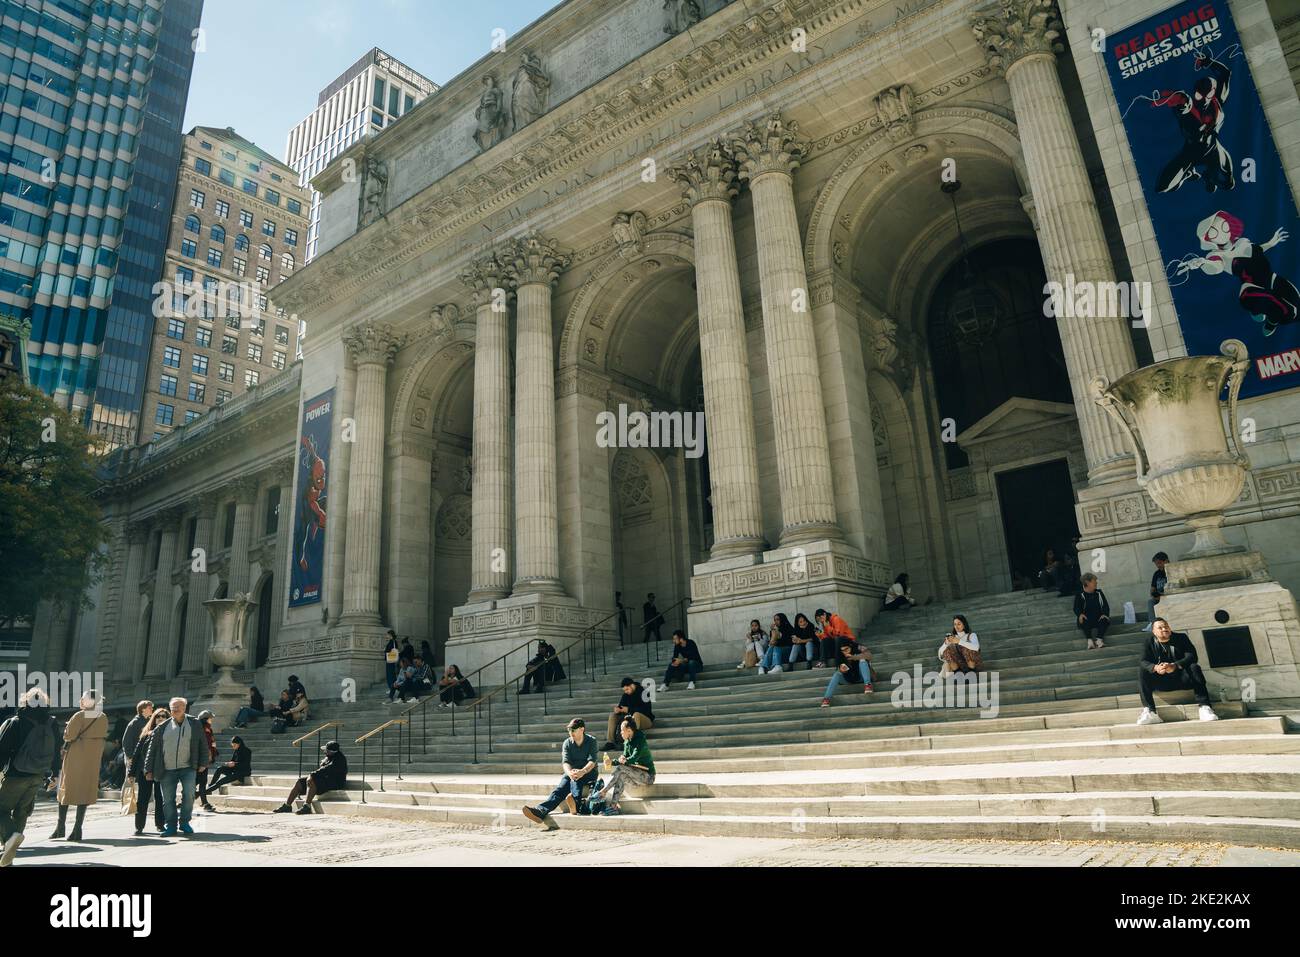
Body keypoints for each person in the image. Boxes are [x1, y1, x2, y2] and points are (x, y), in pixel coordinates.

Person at [0, 688, 60, 867]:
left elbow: (2, 749)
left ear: (25, 702)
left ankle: (11, 837)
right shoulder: (52, 723)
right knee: (22, 811)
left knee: (1, 809)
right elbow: (56, 751)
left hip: (16, 774)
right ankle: (9, 852)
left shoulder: (16, 722)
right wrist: (55, 774)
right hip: (38, 775)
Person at [143, 696, 209, 837]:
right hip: (167, 769)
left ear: (185, 708)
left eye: (178, 707)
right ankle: (171, 826)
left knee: (189, 795)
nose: (175, 710)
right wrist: (148, 769)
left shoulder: (194, 723)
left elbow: (203, 744)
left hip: (188, 767)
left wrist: (203, 762)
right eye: (173, 707)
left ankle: (184, 822)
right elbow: (152, 749)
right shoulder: (162, 727)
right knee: (168, 800)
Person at [1136, 618, 1219, 725]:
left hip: (1182, 678)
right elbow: (1143, 661)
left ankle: (1204, 707)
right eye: (1160, 628)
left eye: (1166, 626)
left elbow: (1192, 656)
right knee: (1142, 671)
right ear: (1154, 631)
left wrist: (1175, 666)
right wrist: (1155, 668)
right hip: (1161, 681)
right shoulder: (1149, 642)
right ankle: (1150, 711)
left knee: (1194, 667)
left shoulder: (1181, 638)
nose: (1164, 629)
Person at [51, 689, 107, 842]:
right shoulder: (102, 716)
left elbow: (69, 736)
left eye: (83, 698)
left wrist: (69, 727)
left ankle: (60, 827)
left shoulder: (79, 715)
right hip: (93, 759)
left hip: (76, 756)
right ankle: (77, 828)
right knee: (85, 791)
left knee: (66, 788)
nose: (80, 701)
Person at [522, 718, 599, 826]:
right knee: (560, 789)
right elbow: (565, 762)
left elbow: (592, 761)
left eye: (574, 730)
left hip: (589, 772)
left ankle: (575, 804)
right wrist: (569, 773)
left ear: (582, 729)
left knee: (575, 781)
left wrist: (582, 771)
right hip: (572, 772)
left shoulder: (591, 741)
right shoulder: (567, 743)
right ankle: (540, 811)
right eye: (569, 730)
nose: (571, 733)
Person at [595, 717, 655, 816]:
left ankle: (603, 792)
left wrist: (624, 761)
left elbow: (634, 758)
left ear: (629, 730)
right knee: (621, 775)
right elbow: (623, 759)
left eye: (622, 730)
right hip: (634, 776)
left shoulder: (640, 740)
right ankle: (613, 807)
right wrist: (611, 762)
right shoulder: (627, 742)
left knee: (621, 768)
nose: (620, 733)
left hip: (647, 777)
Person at [274, 740, 348, 815]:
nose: (324, 752)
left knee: (313, 780)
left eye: (326, 751)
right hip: (325, 780)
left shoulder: (339, 759)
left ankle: (307, 806)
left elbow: (326, 769)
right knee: (300, 781)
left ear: (331, 751)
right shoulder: (328, 757)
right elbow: (321, 769)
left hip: (335, 783)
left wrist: (312, 775)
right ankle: (287, 805)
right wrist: (312, 775)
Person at [130, 709, 170, 836]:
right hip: (144, 771)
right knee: (143, 799)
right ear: (153, 718)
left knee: (160, 799)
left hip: (162, 770)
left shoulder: (170, 733)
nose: (160, 718)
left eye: (164, 716)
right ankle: (139, 827)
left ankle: (160, 825)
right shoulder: (146, 734)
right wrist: (131, 773)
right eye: (157, 716)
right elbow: (136, 754)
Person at [603, 676, 654, 750]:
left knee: (636, 714)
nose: (626, 691)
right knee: (613, 715)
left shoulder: (644, 693)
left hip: (646, 720)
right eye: (624, 690)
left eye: (627, 689)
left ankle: (631, 741)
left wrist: (629, 709)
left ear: (632, 685)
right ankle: (610, 742)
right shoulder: (626, 695)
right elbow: (621, 707)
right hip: (630, 719)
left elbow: (647, 710)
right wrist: (618, 710)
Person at [820, 637, 874, 706]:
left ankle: (868, 685)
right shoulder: (840, 654)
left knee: (862, 660)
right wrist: (841, 669)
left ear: (851, 646)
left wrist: (854, 657)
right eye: (842, 650)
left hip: (861, 676)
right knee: (837, 673)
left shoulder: (858, 647)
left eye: (847, 649)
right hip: (848, 678)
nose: (845, 652)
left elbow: (870, 656)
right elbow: (839, 667)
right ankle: (826, 698)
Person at [1075, 573, 1111, 650]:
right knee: (1083, 619)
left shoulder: (1099, 593)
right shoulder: (1080, 594)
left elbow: (1105, 605)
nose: (1096, 583)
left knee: (1105, 619)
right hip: (1087, 620)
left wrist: (1105, 614)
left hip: (1098, 619)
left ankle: (1099, 640)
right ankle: (1090, 640)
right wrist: (1080, 614)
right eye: (1094, 581)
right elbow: (1076, 607)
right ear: (1087, 583)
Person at [120, 700, 155, 774]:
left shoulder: (149, 721)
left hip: (143, 757)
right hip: (133, 757)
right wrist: (130, 757)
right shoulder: (134, 722)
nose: (152, 709)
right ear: (143, 709)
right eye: (150, 708)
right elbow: (126, 741)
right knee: (130, 780)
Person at [195, 710, 218, 812]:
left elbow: (211, 744)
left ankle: (203, 802)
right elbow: (204, 746)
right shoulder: (201, 730)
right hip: (201, 760)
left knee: (200, 782)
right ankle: (204, 803)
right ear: (205, 719)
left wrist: (213, 754)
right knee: (199, 782)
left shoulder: (208, 729)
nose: (211, 720)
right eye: (210, 718)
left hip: (205, 760)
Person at [1145, 552, 1170, 632]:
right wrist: (1155, 594)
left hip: (1170, 596)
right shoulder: (1157, 574)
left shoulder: (1172, 571)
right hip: (1159, 597)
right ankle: (1153, 625)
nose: (1158, 566)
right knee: (1151, 602)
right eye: (1156, 564)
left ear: (1166, 561)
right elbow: (1152, 589)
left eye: (1160, 563)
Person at [382, 630, 401, 697]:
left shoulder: (393, 641)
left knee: (390, 675)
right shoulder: (392, 642)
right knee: (390, 674)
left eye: (387, 635)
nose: (386, 636)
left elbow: (393, 650)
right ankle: (392, 688)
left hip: (391, 660)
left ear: (390, 635)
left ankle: (392, 688)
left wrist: (385, 650)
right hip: (390, 660)